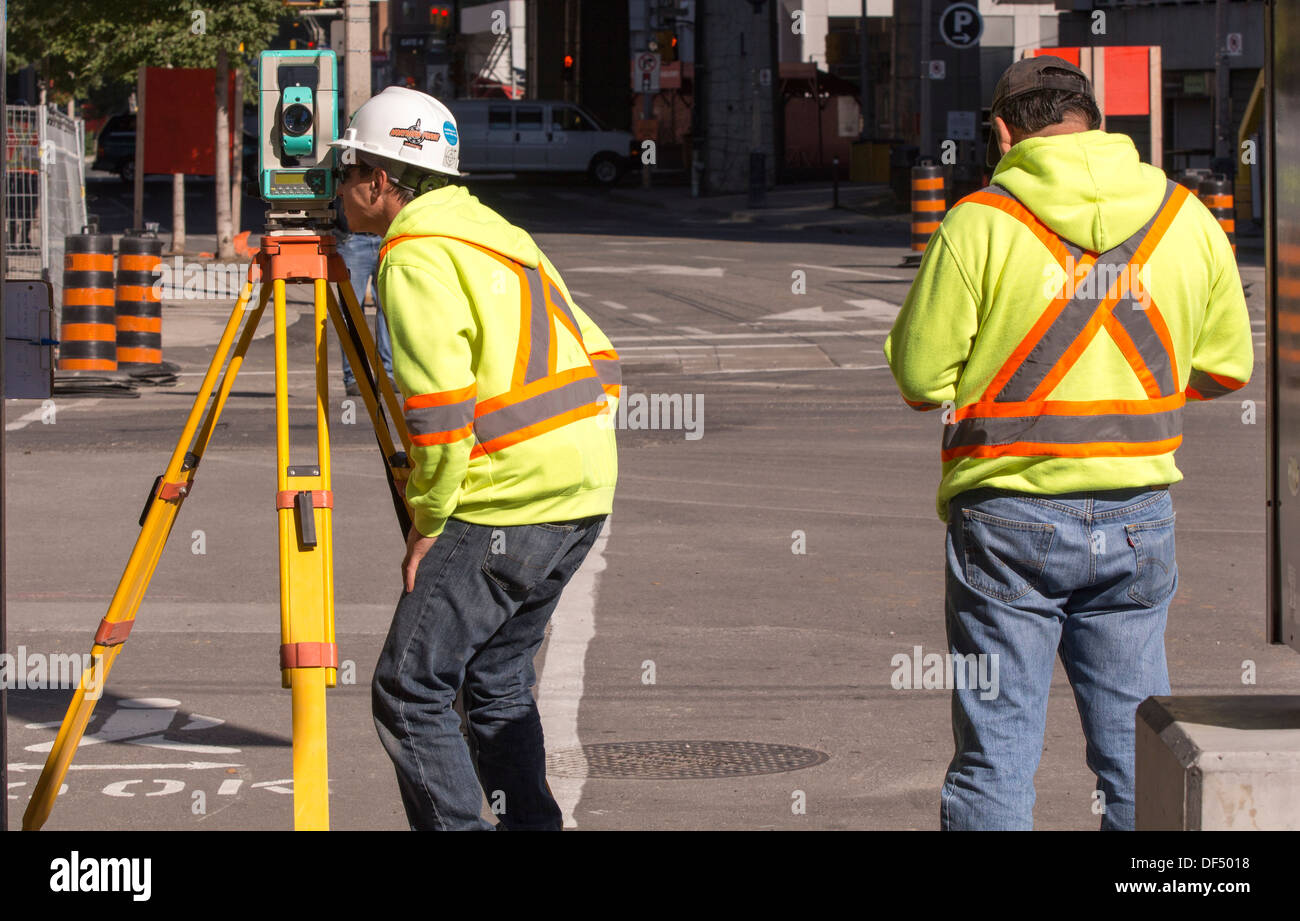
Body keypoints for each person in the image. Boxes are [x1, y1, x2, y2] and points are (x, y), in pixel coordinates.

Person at [884, 56, 1253, 831]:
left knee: (996, 756)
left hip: (1007, 521)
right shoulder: (1184, 215)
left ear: (1001, 131)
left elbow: (921, 379)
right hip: (1139, 517)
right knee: (1137, 756)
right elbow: (1227, 368)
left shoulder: (980, 221)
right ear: (1095, 122)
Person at [328, 86, 620, 830]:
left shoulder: (413, 255)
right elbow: (602, 355)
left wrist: (427, 523)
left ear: (381, 180)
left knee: (408, 689)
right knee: (493, 680)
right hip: (581, 492)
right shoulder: (498, 231)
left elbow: (440, 415)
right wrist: (575, 442)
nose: (337, 186)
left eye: (345, 169)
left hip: (508, 502)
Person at [333, 206, 394, 396]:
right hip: (352, 238)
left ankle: (388, 374)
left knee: (389, 308)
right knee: (350, 312)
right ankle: (354, 377)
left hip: (386, 236)